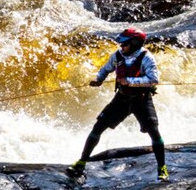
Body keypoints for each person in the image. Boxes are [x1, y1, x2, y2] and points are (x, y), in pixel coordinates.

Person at [69, 28, 168, 181]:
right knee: (98, 127)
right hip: (121, 99)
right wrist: (99, 79)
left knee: (154, 131)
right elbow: (106, 69)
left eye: (124, 44)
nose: (121, 47)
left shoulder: (146, 58)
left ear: (135, 43)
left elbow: (153, 80)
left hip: (141, 100)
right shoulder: (117, 55)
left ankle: (162, 168)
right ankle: (81, 162)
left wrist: (130, 82)